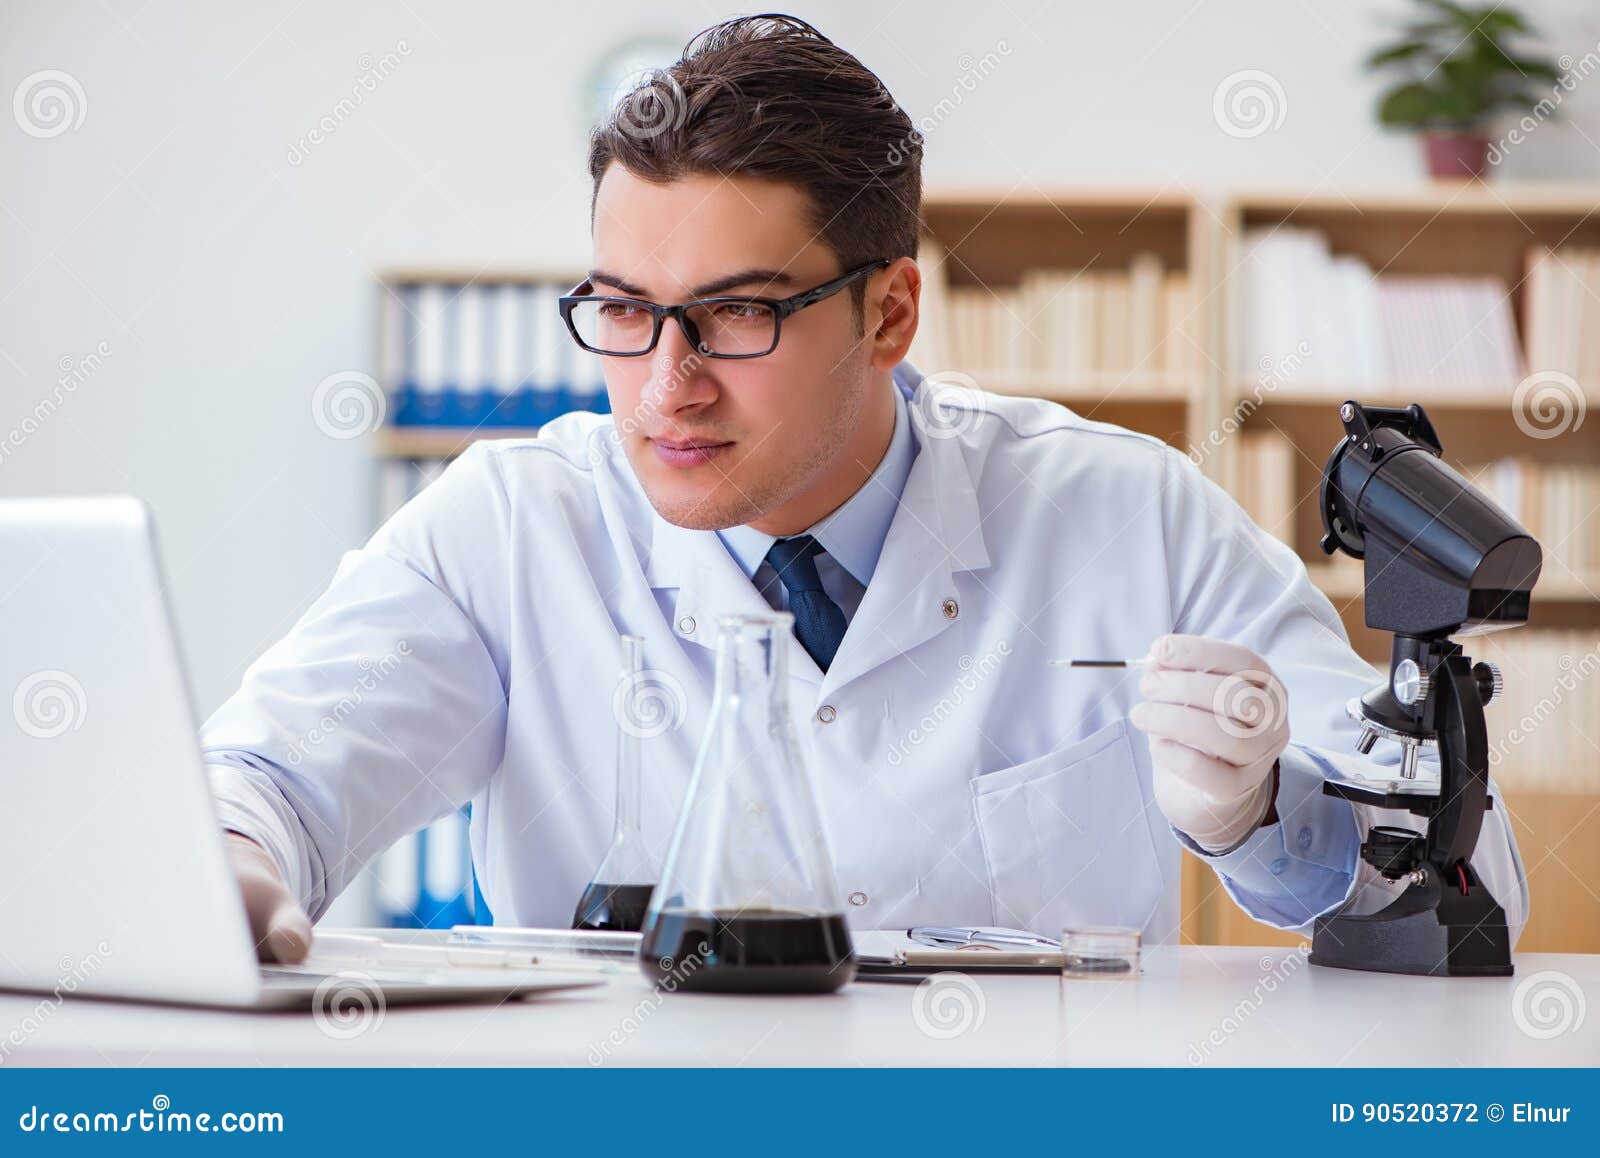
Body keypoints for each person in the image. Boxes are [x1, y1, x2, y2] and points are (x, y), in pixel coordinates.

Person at [205, 14, 1527, 964]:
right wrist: (232, 867)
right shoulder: (507, 525)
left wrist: (1260, 816)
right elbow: (262, 779)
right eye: (621, 310)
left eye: (734, 316)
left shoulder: (1133, 518)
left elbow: (1483, 892)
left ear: (891, 310)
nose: (665, 386)